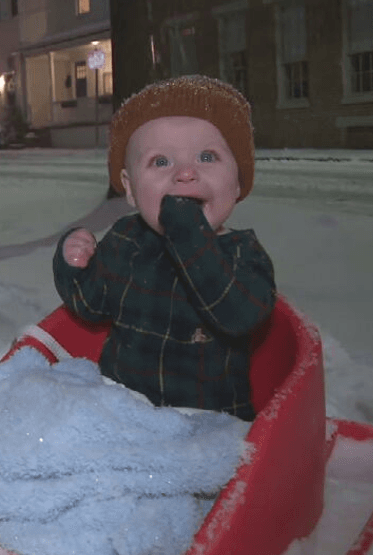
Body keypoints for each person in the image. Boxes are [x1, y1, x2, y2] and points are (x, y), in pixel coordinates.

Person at [53, 75, 276, 422]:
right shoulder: (128, 239)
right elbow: (90, 304)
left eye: (207, 156)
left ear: (237, 183)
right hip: (121, 408)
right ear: (130, 188)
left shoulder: (241, 254)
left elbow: (238, 317)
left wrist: (190, 236)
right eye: (160, 162)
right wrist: (73, 262)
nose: (186, 173)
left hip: (206, 423)